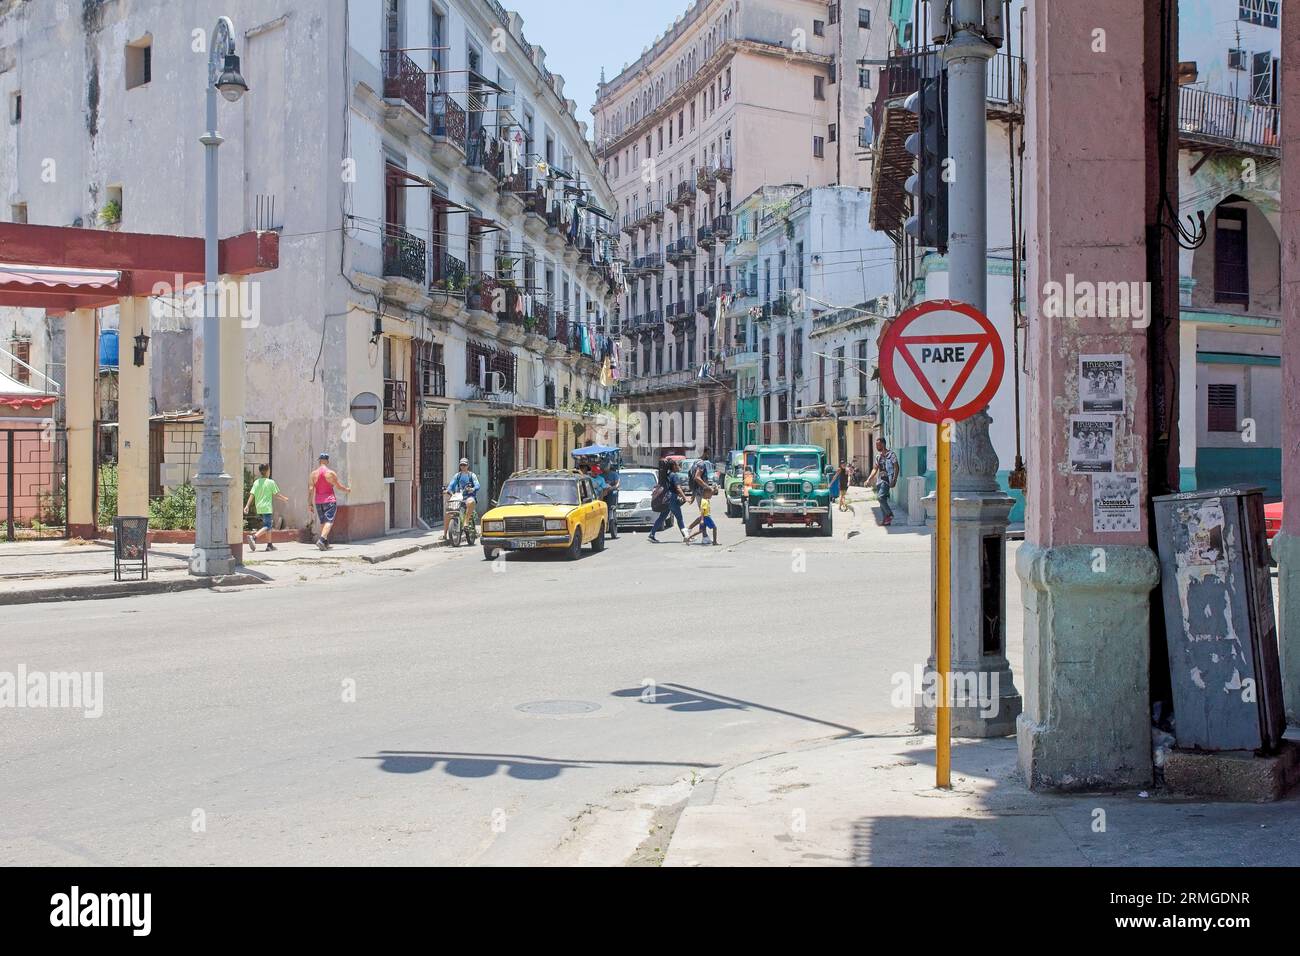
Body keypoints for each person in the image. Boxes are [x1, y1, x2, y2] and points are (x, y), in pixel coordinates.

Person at [243, 463, 289, 552]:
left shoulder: (257, 482)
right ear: (268, 471)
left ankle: (269, 545)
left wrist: (247, 506)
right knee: (268, 526)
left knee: (268, 526)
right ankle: (254, 537)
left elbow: (252, 494)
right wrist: (284, 499)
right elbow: (276, 494)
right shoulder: (271, 482)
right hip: (267, 507)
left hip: (259, 507)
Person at [310, 453, 351, 550]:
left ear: (319, 461)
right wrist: (347, 490)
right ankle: (321, 539)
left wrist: (309, 503)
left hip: (318, 501)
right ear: (327, 461)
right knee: (329, 521)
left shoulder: (313, 474)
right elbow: (338, 486)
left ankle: (325, 542)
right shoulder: (331, 473)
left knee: (323, 521)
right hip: (329, 500)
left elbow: (311, 489)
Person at [649, 458, 689, 543]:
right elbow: (677, 488)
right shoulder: (674, 475)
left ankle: (651, 535)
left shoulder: (668, 474)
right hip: (672, 499)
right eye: (677, 465)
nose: (678, 467)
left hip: (666, 499)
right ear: (674, 466)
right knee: (679, 518)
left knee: (662, 517)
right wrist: (685, 497)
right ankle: (686, 536)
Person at [444, 458, 480, 540]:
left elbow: (477, 485)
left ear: (468, 466)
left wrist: (473, 489)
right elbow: (451, 485)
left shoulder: (472, 475)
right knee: (448, 512)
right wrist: (448, 490)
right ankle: (445, 534)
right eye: (461, 465)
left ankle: (466, 522)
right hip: (458, 496)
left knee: (471, 502)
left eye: (465, 465)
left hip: (469, 496)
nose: (463, 466)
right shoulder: (457, 476)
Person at [866, 438, 899, 527]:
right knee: (882, 501)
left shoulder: (891, 455)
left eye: (879, 445)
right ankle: (886, 521)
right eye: (876, 445)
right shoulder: (878, 456)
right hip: (880, 480)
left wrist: (894, 480)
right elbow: (875, 468)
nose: (877, 446)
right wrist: (869, 479)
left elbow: (896, 467)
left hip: (887, 480)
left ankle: (889, 514)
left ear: (884, 444)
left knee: (880, 497)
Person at [604, 459, 621, 538]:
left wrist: (613, 487)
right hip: (603, 493)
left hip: (611, 493)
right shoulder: (600, 475)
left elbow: (618, 483)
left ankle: (611, 519)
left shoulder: (614, 474)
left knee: (611, 505)